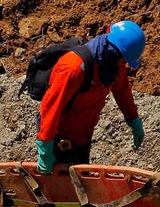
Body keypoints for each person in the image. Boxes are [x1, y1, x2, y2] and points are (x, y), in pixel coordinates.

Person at [35, 21, 146, 173]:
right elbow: (51, 106)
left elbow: (122, 91)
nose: (124, 64)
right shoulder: (74, 68)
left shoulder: (113, 66)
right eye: (124, 60)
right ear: (116, 51)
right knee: (62, 191)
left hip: (83, 136)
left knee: (80, 185)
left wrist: (133, 119)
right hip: (60, 139)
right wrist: (45, 148)